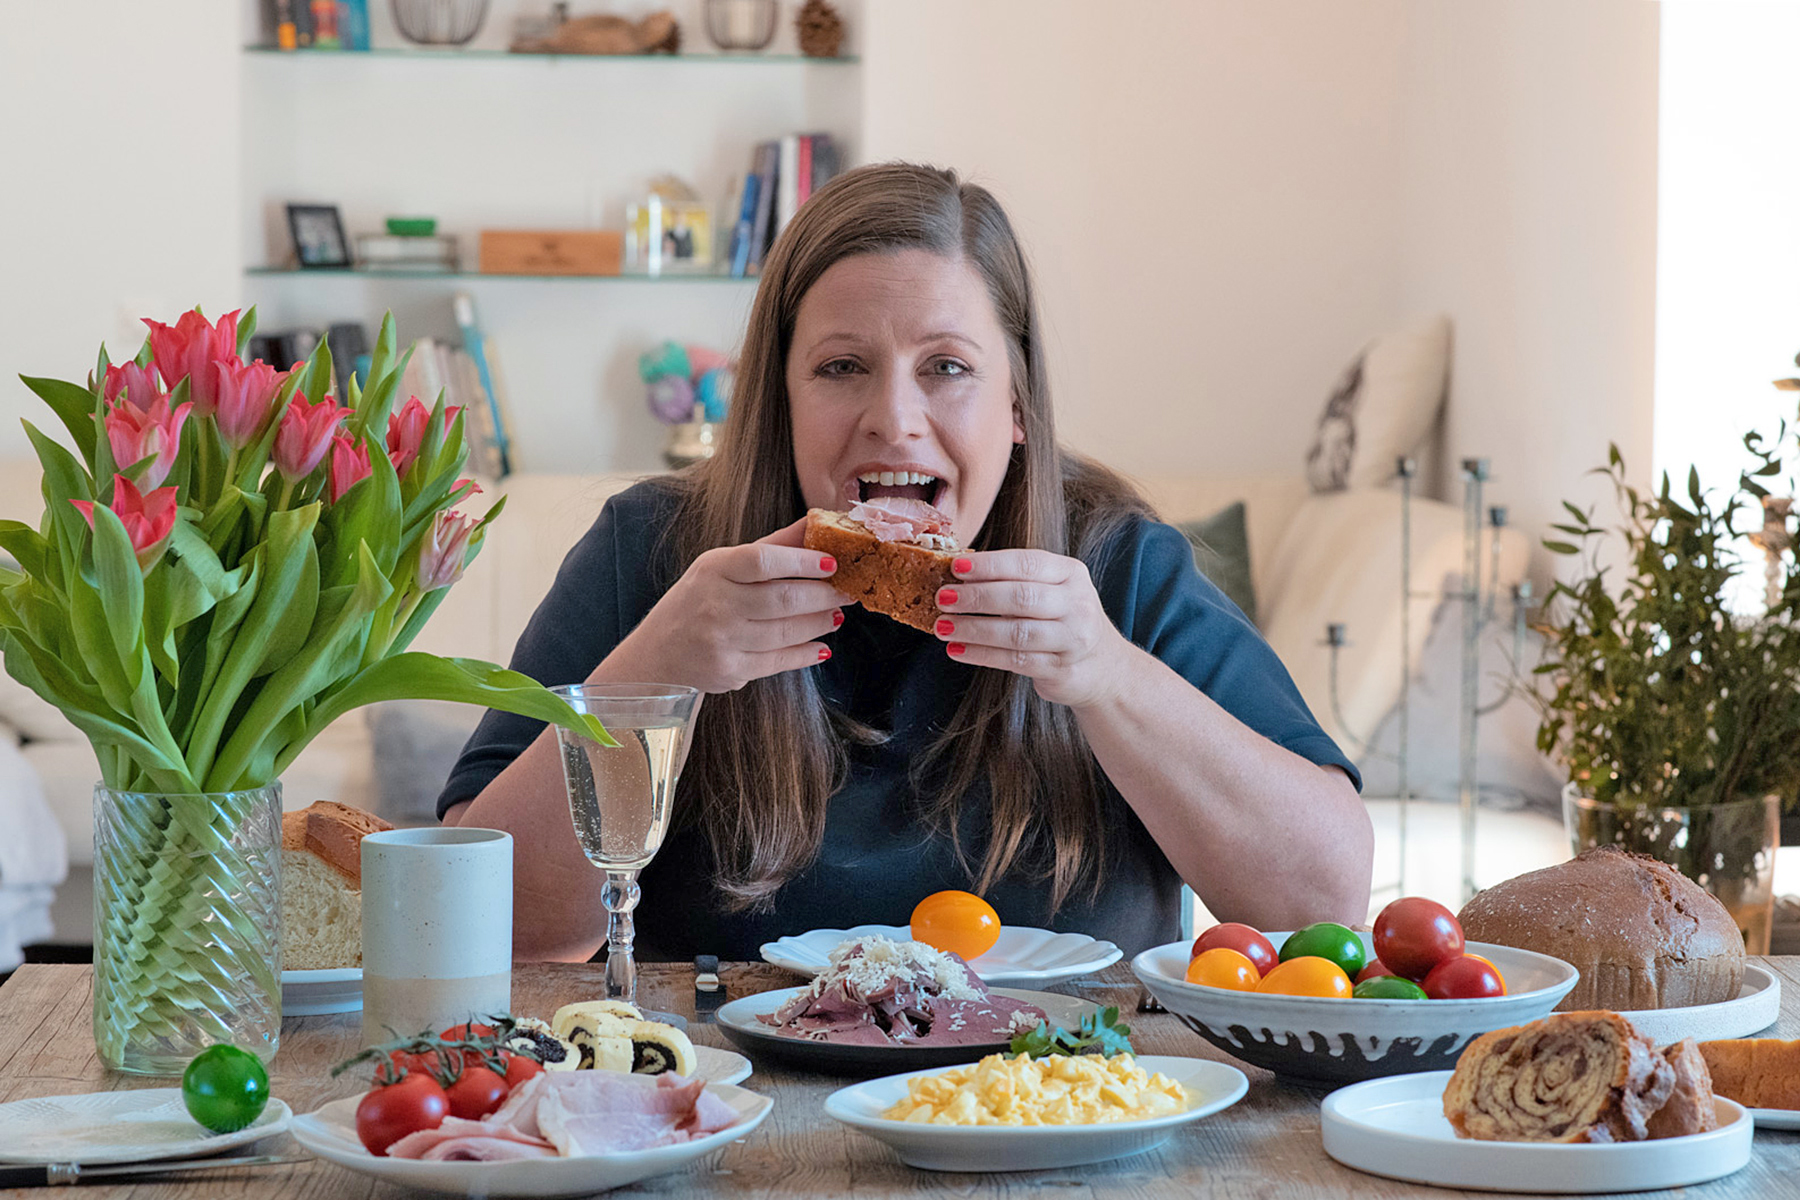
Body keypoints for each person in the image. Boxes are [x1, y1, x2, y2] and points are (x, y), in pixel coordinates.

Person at [441, 162, 1373, 963]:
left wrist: (1106, 675)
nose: (894, 418)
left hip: (1065, 1099)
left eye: (948, 367)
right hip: (732, 1106)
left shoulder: (1116, 563)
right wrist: (657, 671)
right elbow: (484, 922)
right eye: (842, 367)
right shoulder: (651, 552)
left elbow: (1321, 906)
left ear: (1017, 406)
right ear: (782, 399)